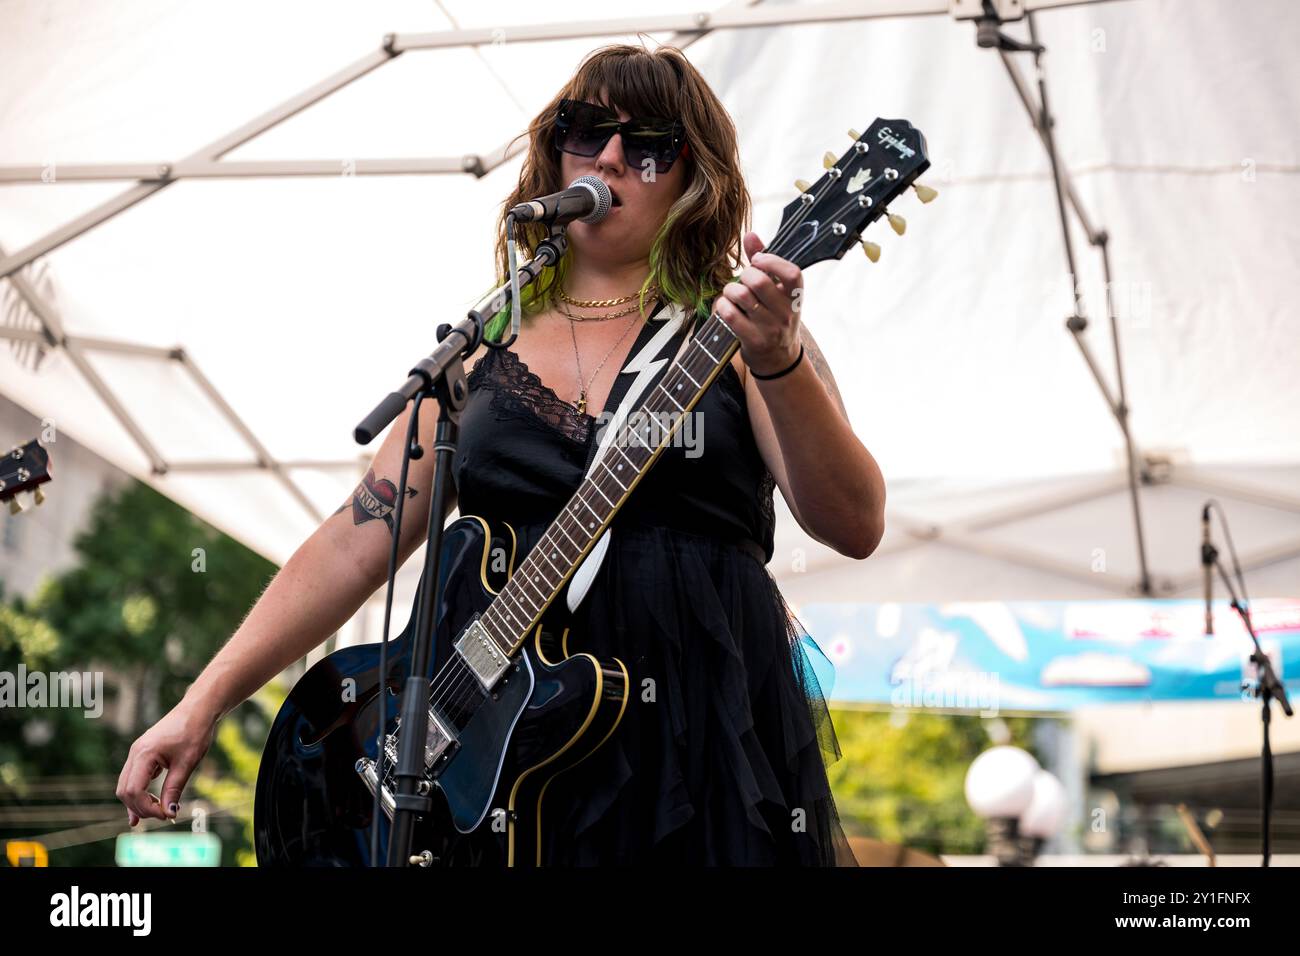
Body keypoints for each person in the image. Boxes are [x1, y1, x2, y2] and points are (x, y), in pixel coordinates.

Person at [117, 42, 885, 866]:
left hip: (689, 737)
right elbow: (356, 536)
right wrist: (201, 704)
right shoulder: (480, 349)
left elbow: (854, 521)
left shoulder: (739, 334)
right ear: (553, 151)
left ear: (694, 176)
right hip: (490, 760)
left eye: (649, 142)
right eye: (585, 130)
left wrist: (780, 357)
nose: (612, 156)